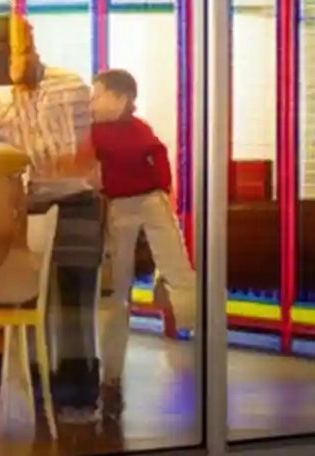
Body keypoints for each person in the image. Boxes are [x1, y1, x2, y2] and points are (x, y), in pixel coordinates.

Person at [0, 17, 103, 424]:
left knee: (74, 301)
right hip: (32, 204)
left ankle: (78, 397)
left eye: (29, 46)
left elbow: (77, 155)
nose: (25, 58)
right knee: (34, 299)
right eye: (17, 51)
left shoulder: (70, 85)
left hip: (75, 201)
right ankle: (40, 396)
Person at [78, 68, 197, 418]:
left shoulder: (123, 132)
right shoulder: (101, 132)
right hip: (123, 207)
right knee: (118, 295)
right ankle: (111, 376)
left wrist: (161, 194)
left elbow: (158, 167)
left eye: (98, 95)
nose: (93, 101)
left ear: (120, 99)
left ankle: (184, 312)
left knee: (171, 273)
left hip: (140, 203)